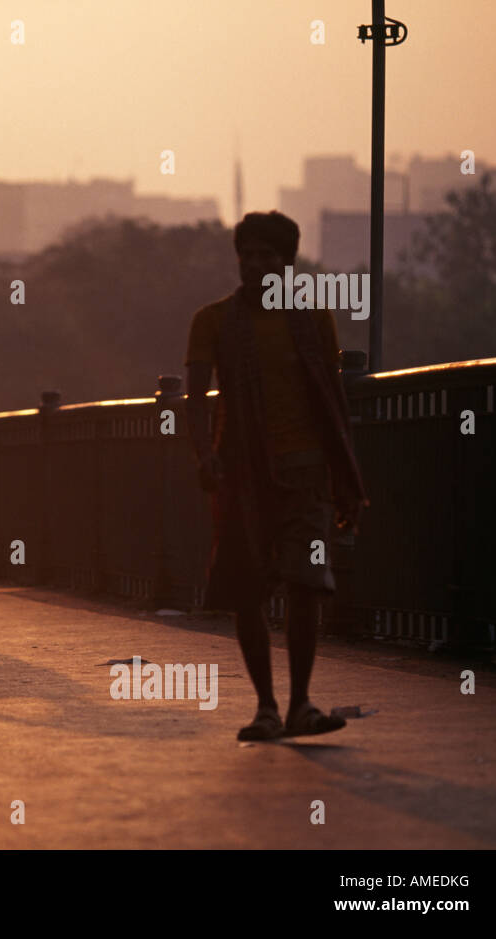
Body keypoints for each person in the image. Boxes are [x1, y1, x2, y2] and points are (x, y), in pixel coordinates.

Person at [184, 210, 369, 742]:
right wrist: (204, 454)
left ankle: (300, 704)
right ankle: (266, 707)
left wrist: (345, 479)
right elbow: (195, 399)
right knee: (247, 590)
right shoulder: (213, 321)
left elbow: (332, 404)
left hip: (308, 473)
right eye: (248, 255)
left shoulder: (314, 321)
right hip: (243, 474)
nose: (256, 264)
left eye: (268, 255)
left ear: (288, 262)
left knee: (307, 586)